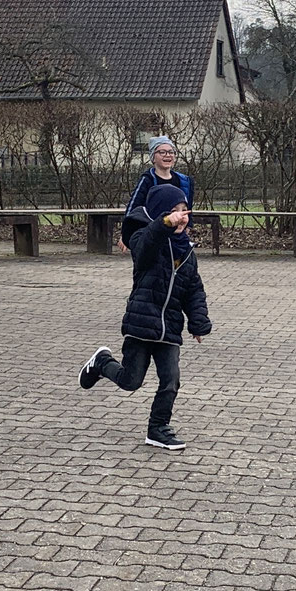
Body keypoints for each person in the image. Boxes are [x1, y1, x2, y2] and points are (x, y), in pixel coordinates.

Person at [80, 181, 212, 451]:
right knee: (131, 381)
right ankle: (102, 363)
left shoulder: (187, 251)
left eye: (184, 210)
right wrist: (164, 224)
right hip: (141, 324)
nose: (181, 216)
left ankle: (158, 428)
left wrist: (198, 322)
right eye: (174, 211)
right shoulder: (144, 239)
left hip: (169, 329)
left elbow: (194, 289)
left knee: (171, 380)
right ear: (160, 213)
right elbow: (145, 247)